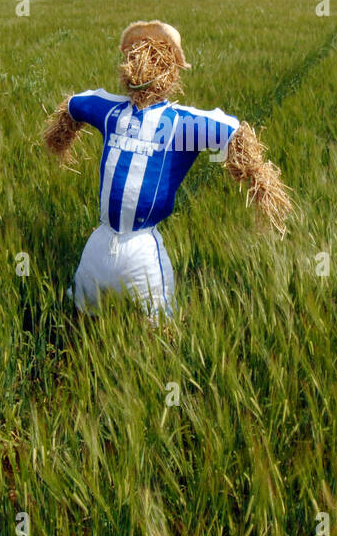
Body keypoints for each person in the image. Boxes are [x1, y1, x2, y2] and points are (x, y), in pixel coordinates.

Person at [43, 20, 291, 319]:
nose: (138, 64)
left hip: (142, 247)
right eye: (133, 56)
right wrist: (59, 135)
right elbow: (74, 105)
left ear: (170, 71)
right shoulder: (111, 111)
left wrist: (260, 180)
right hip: (101, 239)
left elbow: (233, 131)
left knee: (159, 324)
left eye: (152, 58)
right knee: (79, 311)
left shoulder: (181, 124)